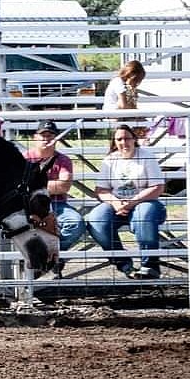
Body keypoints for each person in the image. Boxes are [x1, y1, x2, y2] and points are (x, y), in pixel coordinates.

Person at [86, 124, 167, 279]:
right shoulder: (110, 160)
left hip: (145, 202)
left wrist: (132, 202)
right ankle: (124, 264)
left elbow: (157, 187)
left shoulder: (146, 156)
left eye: (127, 138)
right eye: (119, 139)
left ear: (134, 139)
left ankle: (150, 266)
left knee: (144, 217)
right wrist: (116, 203)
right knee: (96, 219)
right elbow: (101, 190)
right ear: (114, 142)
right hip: (117, 204)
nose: (124, 142)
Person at [23, 120, 84, 278]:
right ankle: (46, 261)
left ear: (56, 138)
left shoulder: (63, 160)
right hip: (30, 205)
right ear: (34, 137)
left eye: (50, 135)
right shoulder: (25, 159)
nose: (46, 139)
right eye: (42, 135)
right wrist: (51, 186)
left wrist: (35, 185)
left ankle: (51, 257)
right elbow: (21, 186)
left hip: (57, 203)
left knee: (75, 223)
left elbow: (64, 186)